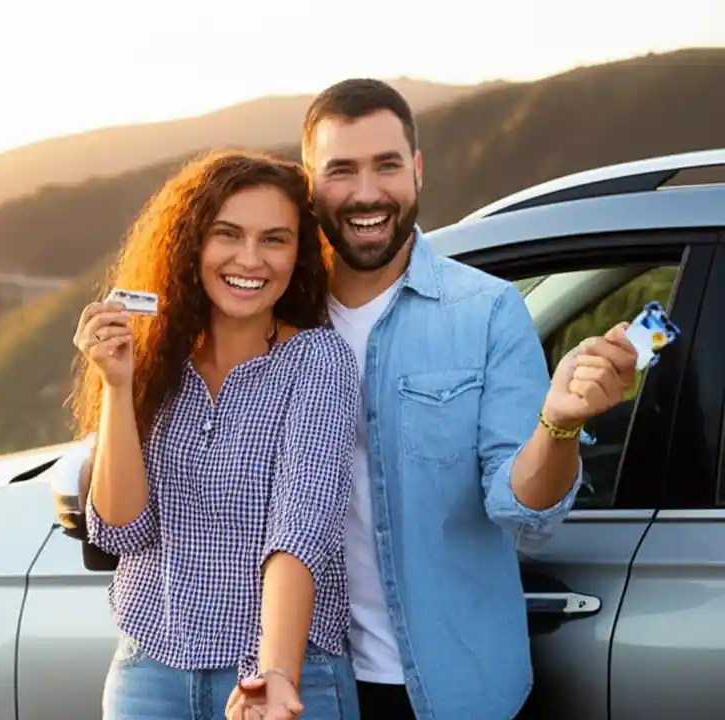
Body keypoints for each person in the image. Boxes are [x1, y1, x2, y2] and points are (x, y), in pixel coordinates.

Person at [228, 79, 638, 720]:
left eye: (386, 165)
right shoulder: (269, 318)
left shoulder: (487, 313)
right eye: (342, 170)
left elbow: (525, 513)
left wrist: (557, 425)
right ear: (309, 185)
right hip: (302, 687)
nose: (367, 193)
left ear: (416, 170)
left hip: (456, 693)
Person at [69, 149, 361, 719]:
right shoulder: (156, 361)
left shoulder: (318, 362)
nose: (250, 260)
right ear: (192, 245)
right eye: (227, 234)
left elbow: (300, 532)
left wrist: (274, 676)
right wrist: (116, 385)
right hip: (149, 675)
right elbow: (123, 529)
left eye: (274, 239)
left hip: (283, 676)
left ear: (298, 254)